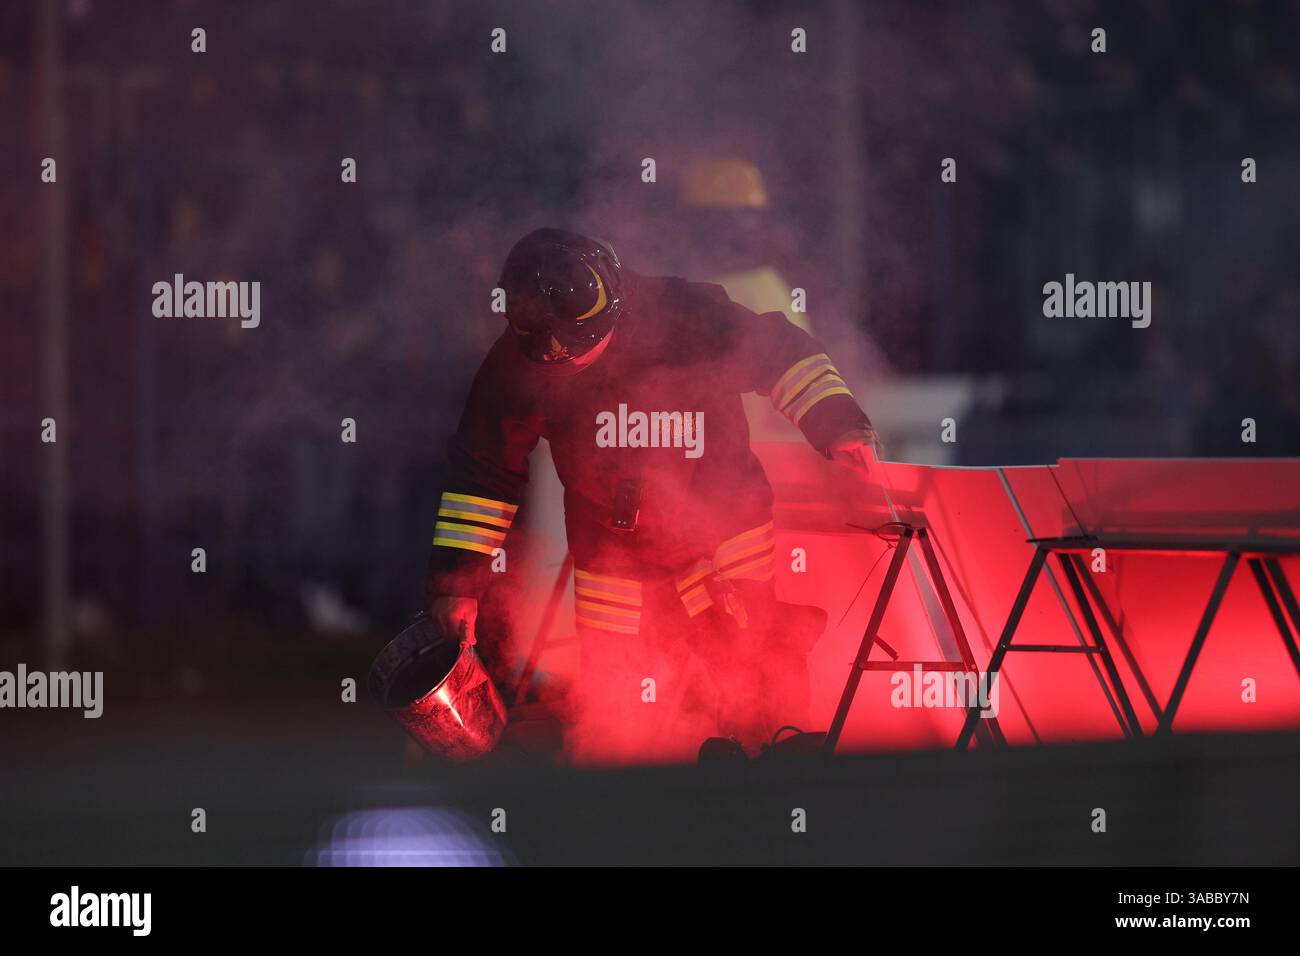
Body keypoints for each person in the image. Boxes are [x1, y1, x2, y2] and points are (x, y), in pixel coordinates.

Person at [427, 227, 879, 758]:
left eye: (572, 337)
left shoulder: (686, 315)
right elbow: (482, 474)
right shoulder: (517, 367)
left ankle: (770, 778)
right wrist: (458, 582)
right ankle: (631, 802)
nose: (556, 350)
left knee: (751, 665)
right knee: (617, 698)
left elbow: (781, 353)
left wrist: (838, 424)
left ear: (612, 305)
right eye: (540, 337)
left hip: (726, 533)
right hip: (611, 558)